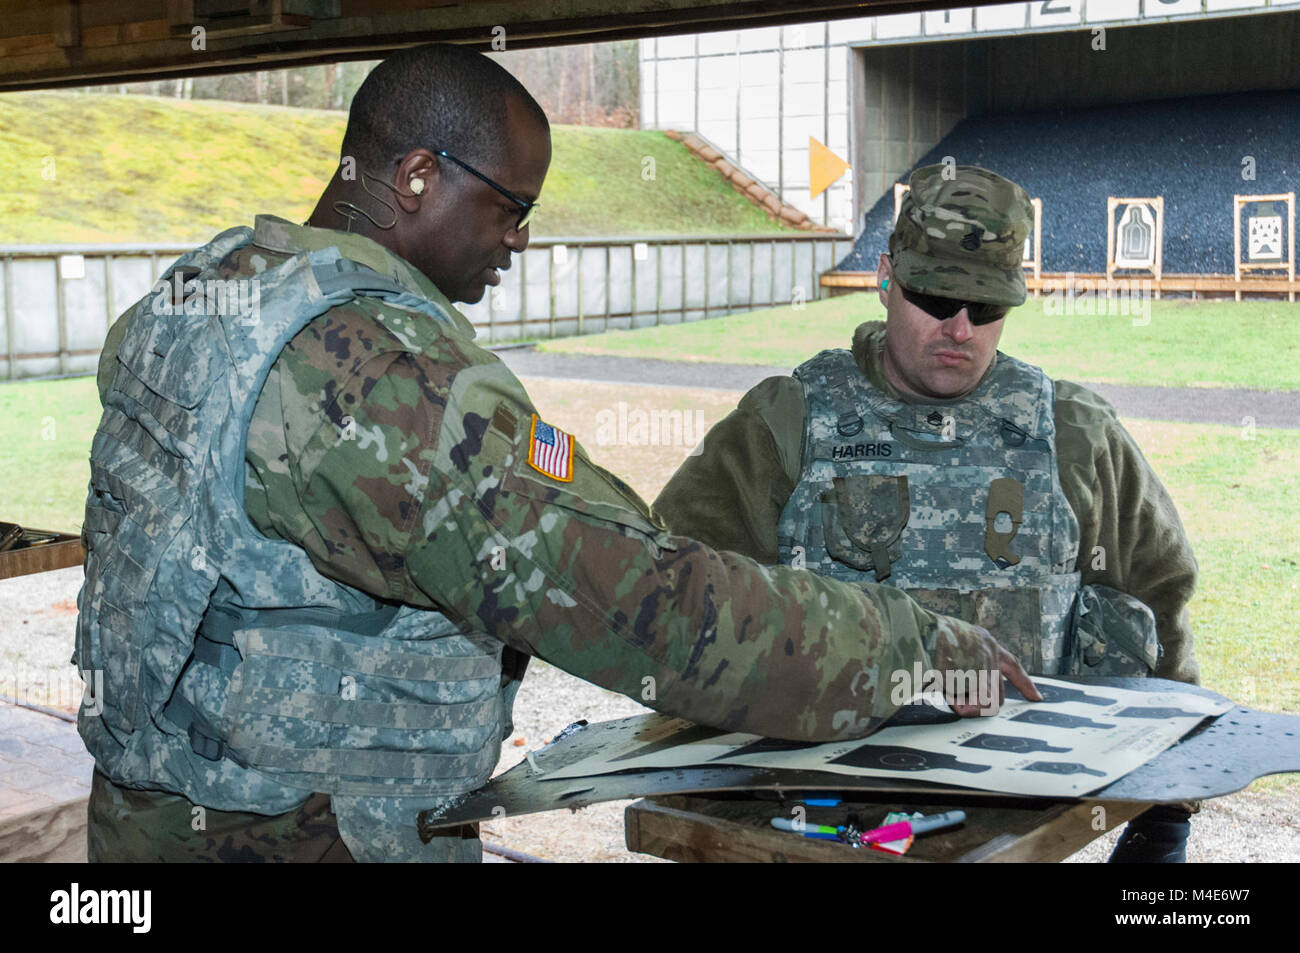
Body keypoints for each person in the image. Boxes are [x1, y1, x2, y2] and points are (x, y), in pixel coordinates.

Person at [75, 48, 1036, 864]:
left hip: (147, 820)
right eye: (507, 205)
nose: (520, 238)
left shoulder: (210, 293)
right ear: (415, 176)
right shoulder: (380, 383)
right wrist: (915, 650)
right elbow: (654, 610)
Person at [653, 164, 1201, 863]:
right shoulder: (785, 424)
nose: (959, 328)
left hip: (1014, 820)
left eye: (987, 307)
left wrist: (1167, 810)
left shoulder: (1073, 431)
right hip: (822, 813)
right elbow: (673, 596)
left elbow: (1161, 598)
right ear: (886, 277)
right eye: (936, 297)